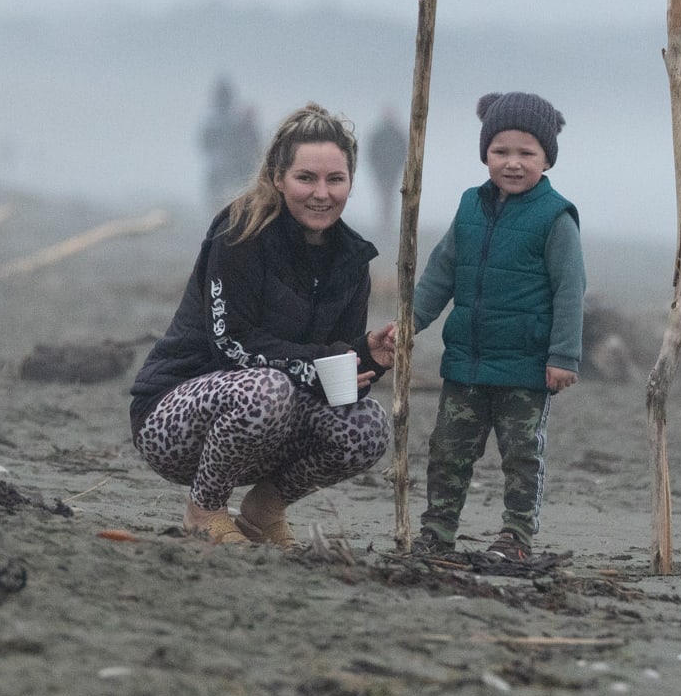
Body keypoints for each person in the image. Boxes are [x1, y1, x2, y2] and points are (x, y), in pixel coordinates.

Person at [131, 103, 397, 547]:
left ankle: (263, 511)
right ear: (278, 178)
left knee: (369, 426)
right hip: (174, 421)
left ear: (351, 181)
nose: (322, 193)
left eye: (335, 179)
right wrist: (320, 362)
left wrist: (368, 356)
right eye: (306, 178)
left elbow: (330, 375)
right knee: (267, 389)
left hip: (269, 431)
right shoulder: (241, 231)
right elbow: (230, 344)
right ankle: (204, 510)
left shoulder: (352, 259)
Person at [408, 91, 586, 563]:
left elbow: (570, 289)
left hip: (526, 367)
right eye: (500, 151)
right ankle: (437, 531)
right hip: (465, 361)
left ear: (547, 158)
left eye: (526, 152)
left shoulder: (556, 217)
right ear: (485, 153)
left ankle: (516, 537)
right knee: (448, 451)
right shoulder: (470, 206)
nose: (512, 163)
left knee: (521, 456)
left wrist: (563, 356)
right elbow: (441, 273)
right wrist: (410, 323)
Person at [197, 76, 263, 214]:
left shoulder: (235, 120)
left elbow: (253, 144)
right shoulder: (216, 121)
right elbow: (205, 144)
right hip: (226, 169)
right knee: (219, 201)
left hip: (237, 168)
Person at [365, 107, 407, 245]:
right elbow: (372, 152)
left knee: (388, 198)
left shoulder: (394, 134)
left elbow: (403, 152)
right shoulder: (382, 134)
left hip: (390, 172)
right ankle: (385, 225)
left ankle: (387, 225)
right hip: (382, 172)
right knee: (385, 198)